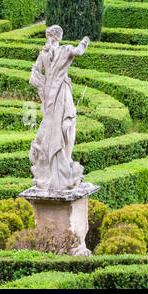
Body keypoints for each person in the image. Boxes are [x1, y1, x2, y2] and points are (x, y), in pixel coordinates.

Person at [29, 25, 89, 191]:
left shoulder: (62, 50)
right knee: (64, 126)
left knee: (65, 125)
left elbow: (34, 74)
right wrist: (85, 42)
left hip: (60, 92)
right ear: (59, 36)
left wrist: (40, 82)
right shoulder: (46, 53)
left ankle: (64, 163)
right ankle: (57, 167)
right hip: (53, 94)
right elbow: (79, 51)